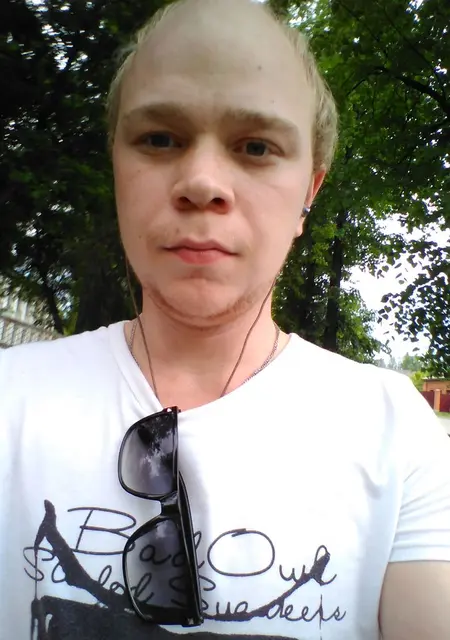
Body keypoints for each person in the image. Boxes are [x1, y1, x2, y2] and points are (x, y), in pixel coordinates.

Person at [1, 0, 450, 638]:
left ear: (309, 193)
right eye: (160, 139)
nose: (201, 182)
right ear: (118, 166)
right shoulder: (9, 400)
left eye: (256, 147)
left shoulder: (397, 435)